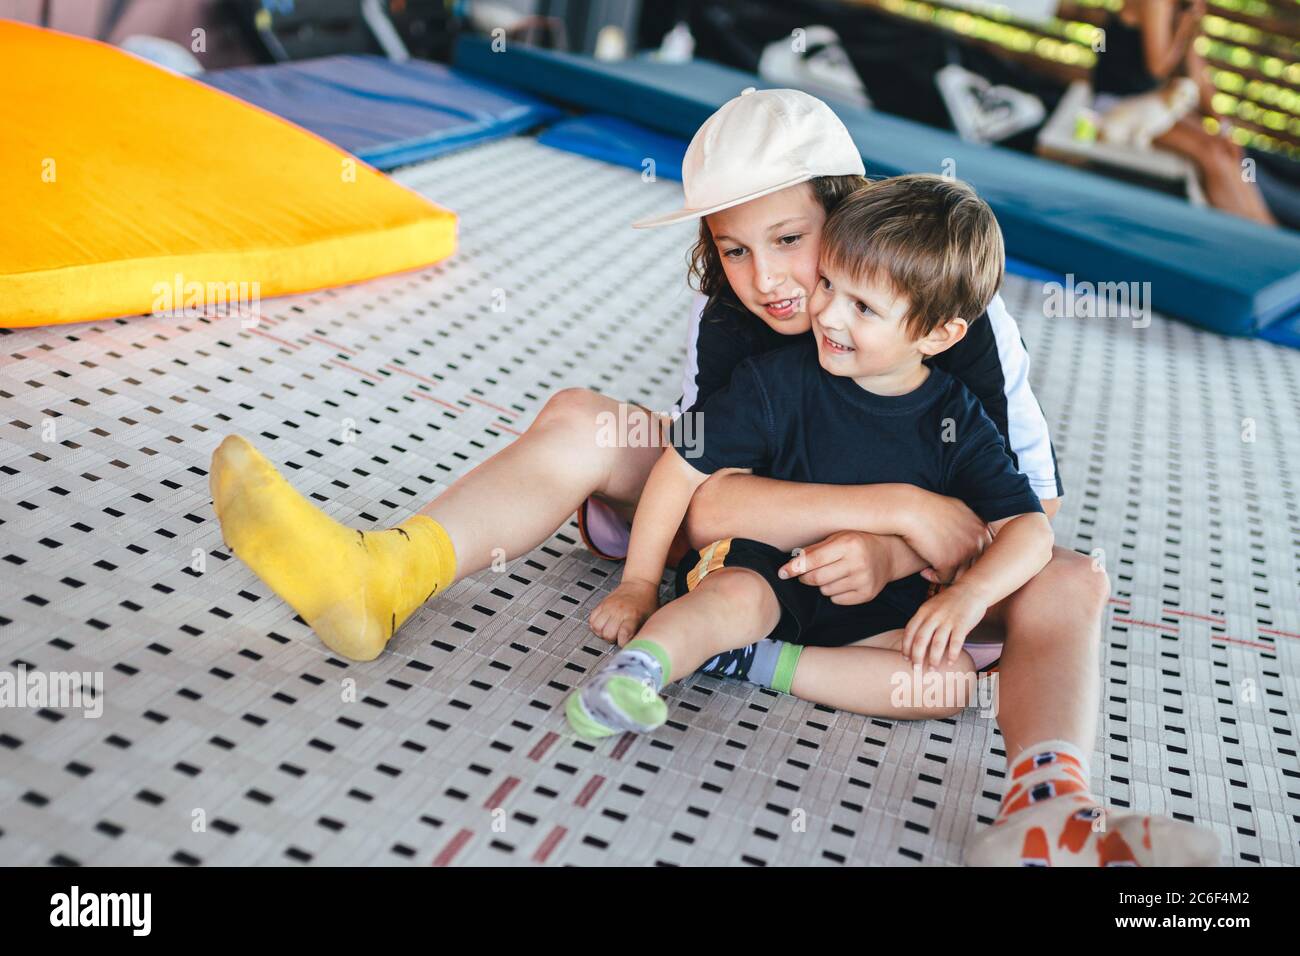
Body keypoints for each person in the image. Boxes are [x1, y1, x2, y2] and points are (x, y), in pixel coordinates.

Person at [207, 88, 1210, 864]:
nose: (765, 278)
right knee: (574, 416)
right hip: (762, 556)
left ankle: (1045, 809)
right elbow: (712, 497)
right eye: (732, 248)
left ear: (851, 214)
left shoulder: (954, 312)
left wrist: (900, 542)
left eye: (788, 240)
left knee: (1072, 578)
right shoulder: (735, 318)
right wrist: (889, 504)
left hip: (932, 604)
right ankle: (383, 574)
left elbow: (1028, 511)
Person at [566, 175, 1054, 744]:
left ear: (939, 336)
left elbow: (1030, 529)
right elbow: (679, 467)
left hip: (878, 610)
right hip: (769, 569)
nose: (828, 315)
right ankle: (639, 671)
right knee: (732, 597)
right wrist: (639, 583)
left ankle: (752, 663)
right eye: (828, 283)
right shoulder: (778, 382)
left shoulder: (959, 420)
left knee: (949, 684)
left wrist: (968, 595)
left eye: (863, 307)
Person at [1093, 0, 1276, 225]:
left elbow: (1198, 75)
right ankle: (1245, 232)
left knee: (1222, 147)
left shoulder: (1185, 8)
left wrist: (1224, 127)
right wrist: (1184, 28)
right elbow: (1157, 68)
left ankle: (1265, 228)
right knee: (1208, 152)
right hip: (1118, 106)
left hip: (1152, 107)